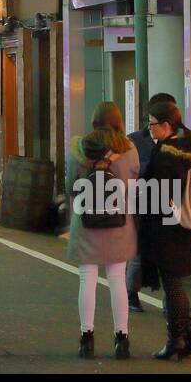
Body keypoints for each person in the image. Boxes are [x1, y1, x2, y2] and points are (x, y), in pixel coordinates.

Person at [140, 100, 191, 361]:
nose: (149, 129)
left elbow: (162, 192)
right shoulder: (186, 146)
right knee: (174, 282)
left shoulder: (167, 153)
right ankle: (189, 338)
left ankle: (177, 340)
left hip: (167, 226)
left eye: (152, 124)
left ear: (166, 125)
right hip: (180, 224)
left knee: (171, 284)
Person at [67, 101, 140, 359]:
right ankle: (122, 339)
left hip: (86, 222)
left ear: (94, 121)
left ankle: (86, 338)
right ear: (119, 121)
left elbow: (71, 186)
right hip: (118, 223)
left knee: (87, 278)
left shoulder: (79, 148)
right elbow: (133, 185)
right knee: (117, 279)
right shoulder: (129, 149)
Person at [125, 92, 178, 312]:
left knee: (168, 255)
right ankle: (131, 293)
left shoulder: (178, 140)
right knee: (138, 252)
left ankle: (171, 303)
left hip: (169, 203)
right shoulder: (135, 140)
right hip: (142, 203)